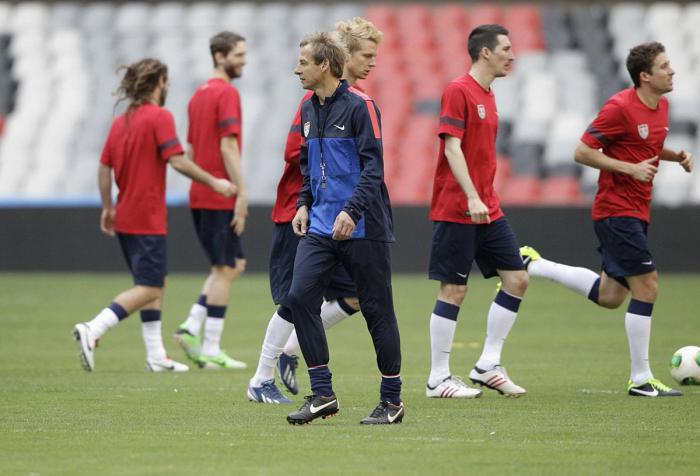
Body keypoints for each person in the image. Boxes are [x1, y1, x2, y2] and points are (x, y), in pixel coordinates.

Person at [519, 42, 692, 397]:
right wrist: (628, 168)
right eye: (664, 66)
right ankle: (641, 379)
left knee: (611, 295)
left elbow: (646, 142)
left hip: (636, 210)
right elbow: (582, 151)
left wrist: (674, 156)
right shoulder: (619, 107)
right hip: (616, 210)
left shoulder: (662, 107)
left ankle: (535, 266)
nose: (671, 70)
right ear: (645, 76)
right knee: (648, 285)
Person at [247, 17, 383, 405]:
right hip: (305, 212)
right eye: (367, 55)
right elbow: (296, 152)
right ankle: (260, 377)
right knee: (297, 297)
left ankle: (291, 349)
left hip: (341, 219)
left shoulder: (354, 104)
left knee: (354, 295)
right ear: (344, 56)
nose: (373, 63)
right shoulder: (314, 103)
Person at [72, 58, 237, 372]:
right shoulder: (160, 117)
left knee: (152, 282)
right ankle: (94, 329)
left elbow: (104, 166)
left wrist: (108, 206)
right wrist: (214, 181)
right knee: (150, 287)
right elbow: (176, 161)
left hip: (125, 215)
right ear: (160, 82)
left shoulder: (121, 121)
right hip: (147, 217)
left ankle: (156, 356)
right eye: (167, 81)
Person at [284, 32, 403, 425]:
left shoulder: (360, 106)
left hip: (363, 226)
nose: (297, 68)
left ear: (324, 66)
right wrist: (303, 203)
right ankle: (322, 394)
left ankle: (391, 402)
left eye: (303, 62)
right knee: (300, 297)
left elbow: (374, 167)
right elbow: (308, 166)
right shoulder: (307, 109)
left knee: (376, 311)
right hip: (319, 226)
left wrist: (352, 210)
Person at [426, 24, 528, 399]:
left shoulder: (488, 94)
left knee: (517, 279)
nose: (511, 55)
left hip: (488, 206)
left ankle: (487, 364)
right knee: (454, 289)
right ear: (485, 52)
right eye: (505, 48)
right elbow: (451, 148)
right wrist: (470, 196)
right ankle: (438, 378)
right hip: (458, 206)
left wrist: (482, 198)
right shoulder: (458, 91)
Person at [173, 32, 248, 370]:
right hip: (220, 195)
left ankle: (191, 326)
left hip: (202, 193)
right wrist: (241, 193)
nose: (244, 61)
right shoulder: (226, 93)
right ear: (219, 56)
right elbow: (227, 147)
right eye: (238, 55)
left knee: (234, 265)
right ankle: (211, 347)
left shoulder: (197, 96)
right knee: (224, 269)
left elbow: (190, 152)